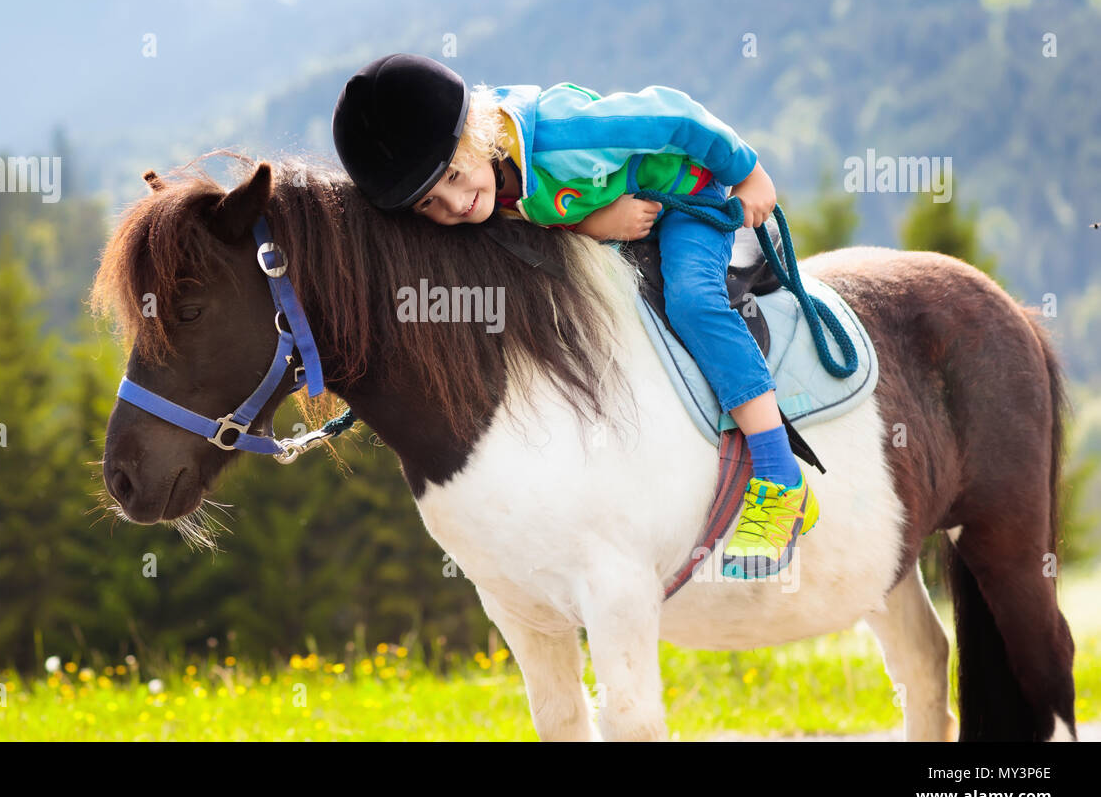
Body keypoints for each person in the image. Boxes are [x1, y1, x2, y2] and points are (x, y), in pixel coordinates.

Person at [332, 53, 817, 579]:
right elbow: (545, 215)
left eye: (452, 175)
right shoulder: (489, 182)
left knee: (693, 302)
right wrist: (595, 224)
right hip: (617, 212)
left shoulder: (567, 136)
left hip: (683, 196)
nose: (455, 205)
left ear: (479, 134)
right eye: (430, 203)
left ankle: (779, 474)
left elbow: (674, 115)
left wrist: (749, 173)